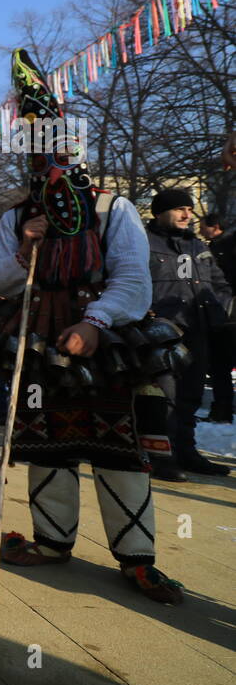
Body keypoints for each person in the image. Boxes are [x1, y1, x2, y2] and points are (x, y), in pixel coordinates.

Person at [0, 48, 185, 604]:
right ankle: (52, 542)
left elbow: (134, 282)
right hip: (38, 339)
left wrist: (96, 320)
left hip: (107, 346)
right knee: (46, 445)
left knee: (119, 449)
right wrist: (26, 246)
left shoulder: (110, 208)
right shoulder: (14, 217)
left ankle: (137, 558)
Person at [146, 189, 232, 475]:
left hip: (198, 328)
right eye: (179, 209)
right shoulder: (142, 242)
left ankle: (186, 452)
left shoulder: (197, 246)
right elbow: (131, 280)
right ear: (159, 212)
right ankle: (160, 457)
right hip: (161, 332)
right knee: (163, 398)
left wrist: (223, 310)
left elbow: (219, 285)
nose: (187, 214)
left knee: (190, 395)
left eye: (189, 209)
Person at [199, 212, 235, 422]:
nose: (200, 229)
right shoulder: (215, 247)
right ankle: (221, 410)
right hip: (223, 312)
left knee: (220, 365)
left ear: (215, 226)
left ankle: (222, 410)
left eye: (203, 225)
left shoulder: (219, 248)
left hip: (224, 314)